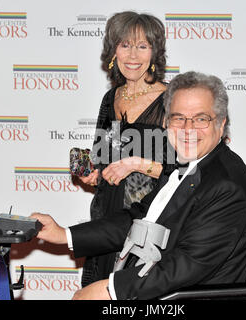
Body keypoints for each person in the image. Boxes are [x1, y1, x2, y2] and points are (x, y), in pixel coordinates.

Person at [32, 71, 246, 300]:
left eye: (201, 118)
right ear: (166, 123)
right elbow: (137, 220)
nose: (188, 128)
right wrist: (65, 235)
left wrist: (111, 290)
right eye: (178, 117)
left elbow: (185, 266)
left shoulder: (227, 186)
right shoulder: (184, 165)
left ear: (221, 125)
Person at [74, 11, 168, 287]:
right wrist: (93, 174)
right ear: (113, 50)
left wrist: (136, 163)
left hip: (150, 221)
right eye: (125, 45)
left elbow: (188, 171)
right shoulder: (110, 98)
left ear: (154, 52)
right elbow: (102, 156)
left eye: (142, 46)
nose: (133, 56)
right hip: (108, 218)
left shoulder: (173, 100)